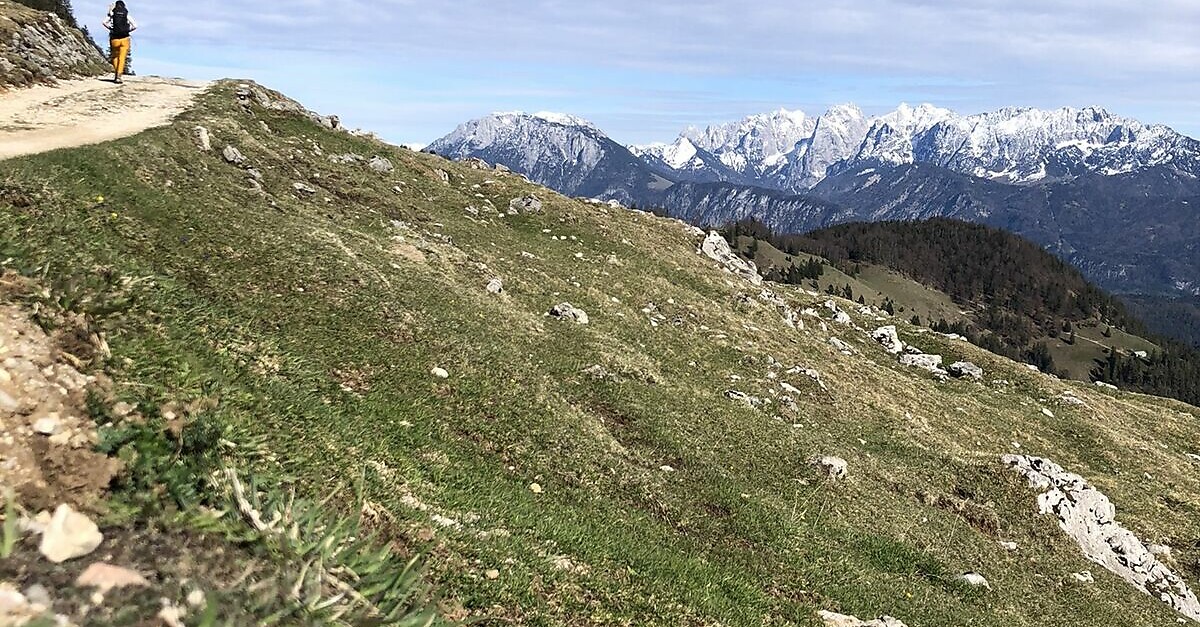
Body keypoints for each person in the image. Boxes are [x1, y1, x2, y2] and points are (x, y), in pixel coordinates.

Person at [103, 1, 137, 84]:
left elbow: (103, 22)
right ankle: (118, 76)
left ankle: (116, 73)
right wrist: (128, 30)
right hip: (125, 38)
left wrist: (111, 28)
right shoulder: (126, 15)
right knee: (122, 58)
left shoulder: (113, 14)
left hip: (114, 38)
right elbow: (135, 26)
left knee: (115, 57)